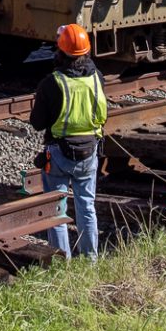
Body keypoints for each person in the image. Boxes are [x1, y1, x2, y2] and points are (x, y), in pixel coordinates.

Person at [28, 23, 108, 260]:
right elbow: (103, 115)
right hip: (89, 152)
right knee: (87, 207)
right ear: (87, 51)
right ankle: (90, 259)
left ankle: (62, 262)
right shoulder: (97, 78)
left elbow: (37, 123)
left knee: (57, 210)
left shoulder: (52, 83)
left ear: (60, 51)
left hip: (59, 154)